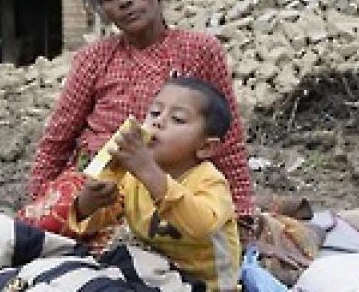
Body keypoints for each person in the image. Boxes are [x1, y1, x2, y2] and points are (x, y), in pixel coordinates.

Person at [22, 0, 254, 239]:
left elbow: (227, 139)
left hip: (169, 182)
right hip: (99, 185)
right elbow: (57, 140)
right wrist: (41, 202)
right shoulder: (94, 59)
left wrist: (242, 213)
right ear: (104, 12)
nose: (125, 1)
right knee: (35, 240)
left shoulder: (200, 50)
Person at [70, 76, 242, 292]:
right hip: (154, 276)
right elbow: (102, 219)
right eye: (154, 113)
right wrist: (88, 203)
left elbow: (200, 226)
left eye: (177, 119)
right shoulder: (134, 176)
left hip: (206, 286)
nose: (158, 122)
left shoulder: (210, 181)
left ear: (205, 147)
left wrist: (150, 173)